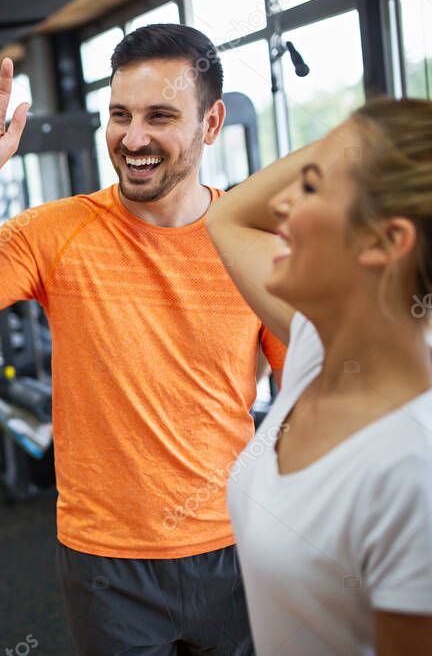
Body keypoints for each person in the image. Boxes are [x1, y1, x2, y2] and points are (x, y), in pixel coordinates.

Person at [0, 24, 287, 654]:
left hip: (237, 543)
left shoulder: (256, 247)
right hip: (107, 562)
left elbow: (306, 400)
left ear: (210, 124)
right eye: (120, 115)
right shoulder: (54, 231)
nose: (133, 138)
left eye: (159, 116)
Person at [206, 99, 432, 654]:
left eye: (310, 187)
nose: (282, 202)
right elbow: (228, 217)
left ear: (385, 241)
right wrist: (358, 136)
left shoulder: (415, 467)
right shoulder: (317, 346)